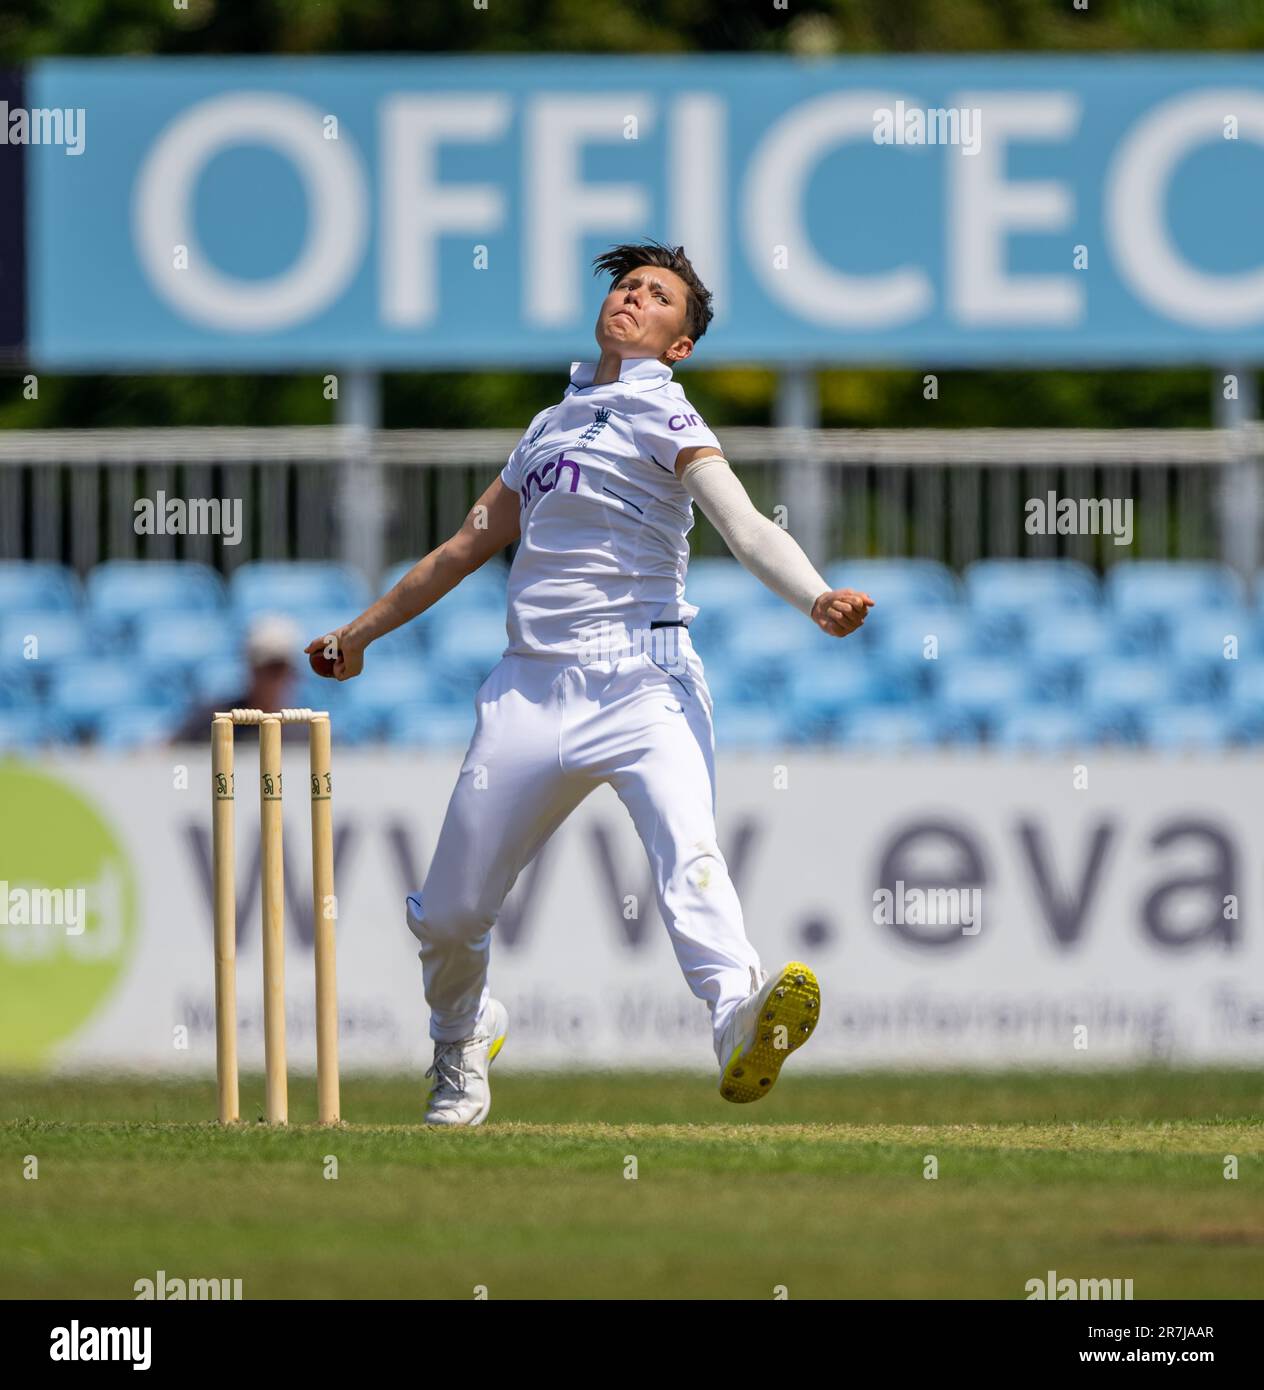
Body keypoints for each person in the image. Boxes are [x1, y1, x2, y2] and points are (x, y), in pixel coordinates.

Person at [308, 239, 873, 1125]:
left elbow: (747, 527)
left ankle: (737, 1019)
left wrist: (816, 597)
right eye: (628, 287)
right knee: (452, 914)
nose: (635, 300)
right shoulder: (547, 424)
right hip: (529, 690)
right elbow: (463, 548)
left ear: (679, 345)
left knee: (688, 855)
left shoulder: (668, 412)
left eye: (658, 299)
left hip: (645, 681)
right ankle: (461, 1042)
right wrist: (360, 634)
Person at [175, 613, 300, 743]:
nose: (273, 680)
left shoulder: (305, 733)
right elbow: (166, 755)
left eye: (280, 669)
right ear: (250, 669)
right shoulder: (213, 722)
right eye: (266, 669)